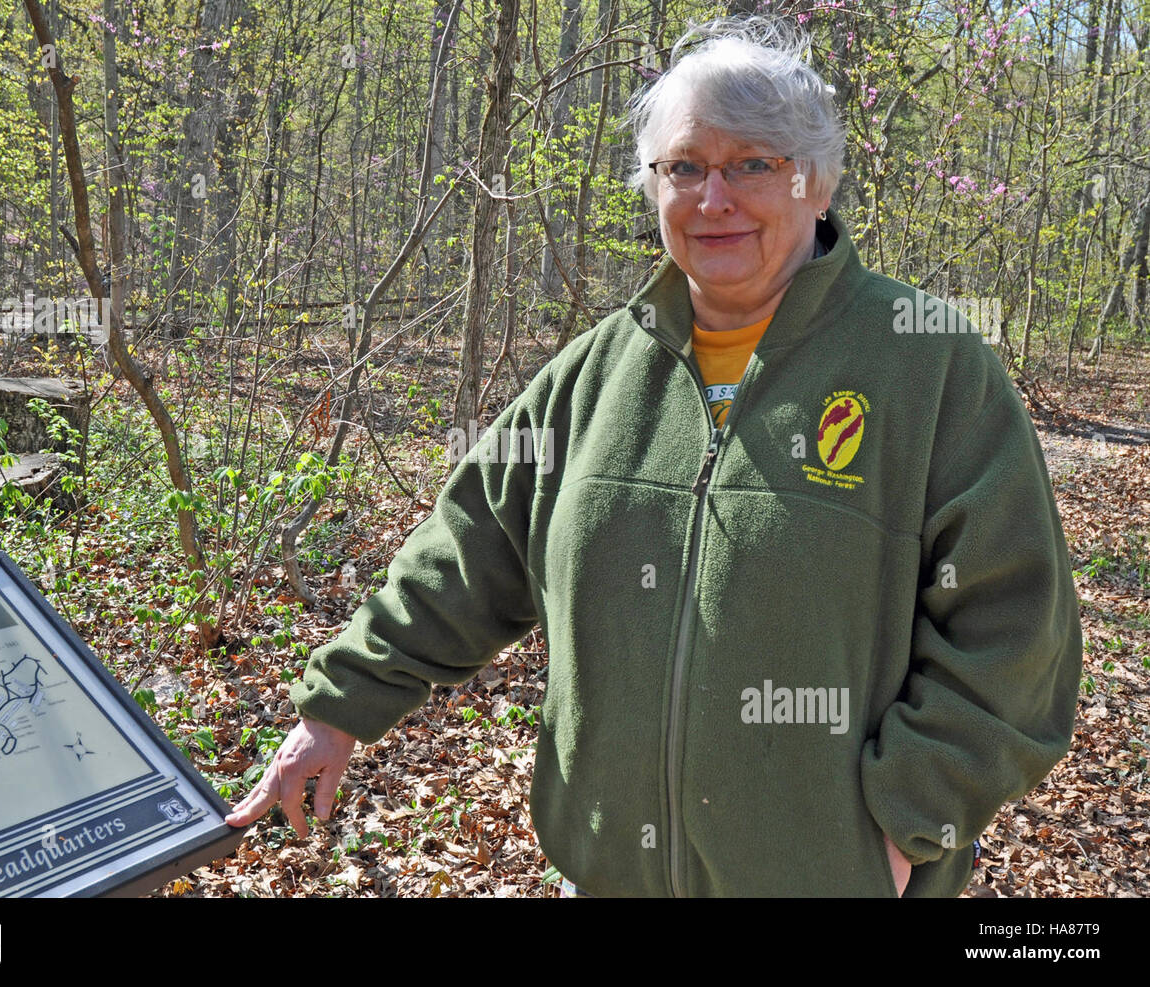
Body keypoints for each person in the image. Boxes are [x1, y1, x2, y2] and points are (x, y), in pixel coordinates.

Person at [226, 14, 1083, 897]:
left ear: (815, 183)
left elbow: (1015, 629)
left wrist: (905, 821)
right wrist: (338, 706)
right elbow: (465, 550)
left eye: (753, 164)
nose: (714, 199)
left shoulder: (928, 363)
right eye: (684, 167)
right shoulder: (597, 373)